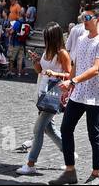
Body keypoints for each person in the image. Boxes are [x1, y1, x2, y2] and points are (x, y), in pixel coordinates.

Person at [50, 8, 99, 185]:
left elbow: (95, 68)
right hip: (78, 93)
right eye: (82, 17)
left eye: (87, 17)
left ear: (98, 19)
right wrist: (69, 86)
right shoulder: (82, 39)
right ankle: (70, 171)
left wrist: (72, 82)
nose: (84, 21)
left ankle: (96, 174)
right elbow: (76, 65)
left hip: (94, 95)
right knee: (65, 129)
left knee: (94, 134)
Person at [17, 23, 72, 176]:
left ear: (54, 38)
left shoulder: (62, 53)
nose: (45, 41)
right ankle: (69, 154)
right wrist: (35, 61)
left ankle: (30, 163)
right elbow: (40, 71)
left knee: (39, 129)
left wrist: (54, 73)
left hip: (54, 94)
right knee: (49, 129)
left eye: (47, 38)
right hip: (42, 92)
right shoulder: (47, 51)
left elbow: (69, 75)